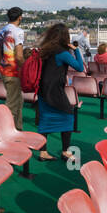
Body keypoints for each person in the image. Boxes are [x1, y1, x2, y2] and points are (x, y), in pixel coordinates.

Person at [34, 23, 84, 161]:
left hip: (42, 89)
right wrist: (76, 50)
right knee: (68, 115)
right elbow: (79, 67)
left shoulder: (45, 50)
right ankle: (65, 151)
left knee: (45, 119)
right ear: (64, 37)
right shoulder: (62, 53)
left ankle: (43, 152)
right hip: (55, 90)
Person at [0, 7, 26, 130]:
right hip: (13, 71)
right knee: (12, 103)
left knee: (18, 100)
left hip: (3, 69)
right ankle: (5, 130)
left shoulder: (2, 31)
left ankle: (18, 127)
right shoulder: (18, 31)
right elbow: (19, 56)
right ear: (20, 17)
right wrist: (25, 68)